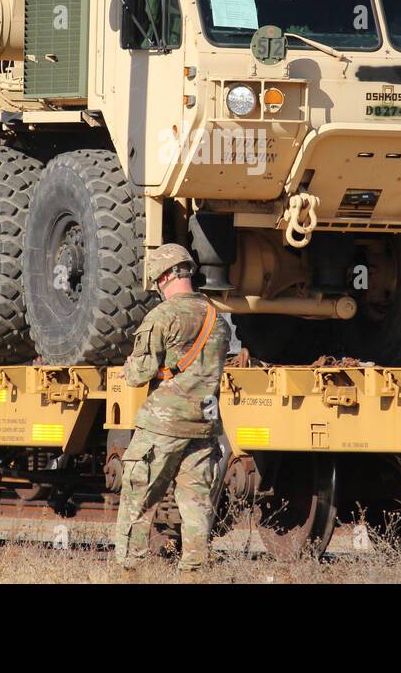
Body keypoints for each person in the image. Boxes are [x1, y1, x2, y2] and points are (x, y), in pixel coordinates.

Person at [114, 243, 230, 573]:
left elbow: (139, 374)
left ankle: (130, 573)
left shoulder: (162, 317)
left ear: (166, 276)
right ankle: (194, 573)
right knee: (196, 505)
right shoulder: (217, 319)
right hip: (204, 425)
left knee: (139, 500)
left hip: (162, 426)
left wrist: (128, 367)